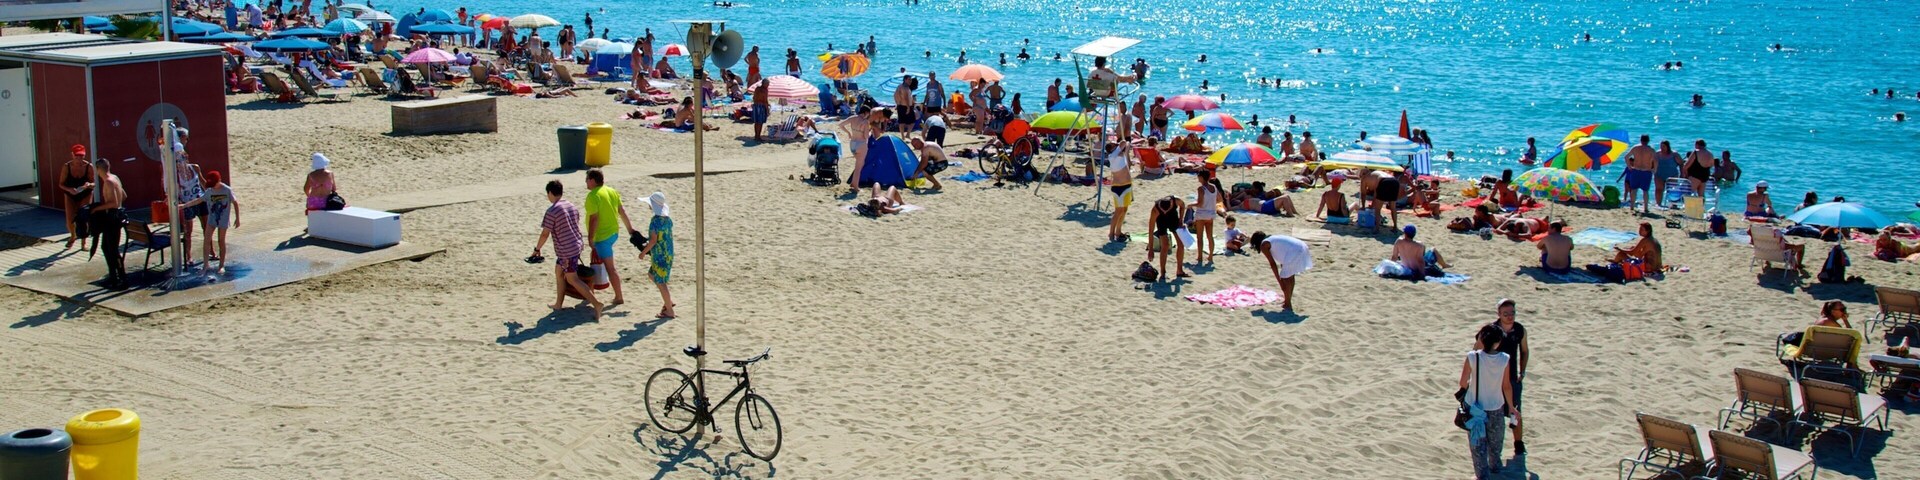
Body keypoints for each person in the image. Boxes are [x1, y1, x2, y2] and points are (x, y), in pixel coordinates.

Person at [533, 180, 602, 318]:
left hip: (566, 250)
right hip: (575, 245)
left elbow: (545, 233)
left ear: (550, 193)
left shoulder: (552, 211)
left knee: (572, 279)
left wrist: (537, 249)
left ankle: (597, 303)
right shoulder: (570, 205)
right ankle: (558, 304)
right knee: (559, 272)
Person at [1461, 312, 1518, 479]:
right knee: (1495, 444)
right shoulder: (1504, 359)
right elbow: (1506, 386)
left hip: (1475, 407)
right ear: (1498, 342)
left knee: (1478, 446)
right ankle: (1495, 468)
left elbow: (1463, 382)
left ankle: (1482, 475)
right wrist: (1512, 407)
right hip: (1496, 406)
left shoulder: (1472, 357)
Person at [583, 168, 637, 307]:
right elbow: (622, 212)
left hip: (602, 237)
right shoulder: (611, 191)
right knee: (595, 259)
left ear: (593, 180)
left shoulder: (593, 196)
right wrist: (630, 230)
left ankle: (619, 297)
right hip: (613, 233)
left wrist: (590, 238)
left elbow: (594, 219)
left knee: (610, 268)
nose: (586, 182)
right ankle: (591, 290)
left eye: (587, 179)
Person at [170, 130, 212, 267]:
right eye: (179, 159)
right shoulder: (176, 174)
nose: (182, 161)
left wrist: (212, 195)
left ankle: (211, 251)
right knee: (188, 231)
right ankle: (188, 256)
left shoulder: (194, 167)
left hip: (200, 200)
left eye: (184, 158)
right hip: (188, 203)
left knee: (207, 227)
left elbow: (203, 182)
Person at [90, 158, 129, 289]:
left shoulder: (108, 182)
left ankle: (121, 278)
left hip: (112, 217)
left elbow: (114, 203)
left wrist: (96, 208)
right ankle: (113, 276)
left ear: (97, 169)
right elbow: (124, 196)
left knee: (112, 249)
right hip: (115, 217)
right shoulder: (115, 178)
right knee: (106, 247)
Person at [1250, 231, 1311, 310]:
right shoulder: (1272, 239)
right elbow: (1282, 259)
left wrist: (1280, 282)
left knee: (1285, 279)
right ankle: (1287, 301)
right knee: (1289, 277)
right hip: (1302, 247)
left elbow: (1272, 264)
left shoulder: (1264, 245)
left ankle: (1288, 304)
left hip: (1295, 251)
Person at [639, 192, 676, 319]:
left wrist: (643, 252)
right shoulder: (667, 219)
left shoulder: (655, 221)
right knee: (651, 275)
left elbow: (653, 240)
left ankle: (669, 310)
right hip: (668, 252)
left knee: (661, 283)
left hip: (660, 254)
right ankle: (668, 301)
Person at [200, 170, 240, 274]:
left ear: (219, 181)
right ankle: (205, 265)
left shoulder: (227, 190)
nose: (212, 187)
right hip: (212, 219)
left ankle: (221, 265)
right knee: (206, 239)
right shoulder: (210, 191)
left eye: (214, 184)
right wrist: (185, 205)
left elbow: (235, 203)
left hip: (223, 219)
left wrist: (237, 218)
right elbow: (200, 199)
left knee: (221, 241)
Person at [60, 145, 95, 250]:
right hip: (71, 193)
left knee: (83, 217)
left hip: (85, 193)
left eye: (81, 156)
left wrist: (88, 185)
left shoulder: (89, 166)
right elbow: (61, 184)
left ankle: (84, 243)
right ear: (72, 155)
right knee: (70, 219)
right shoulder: (67, 166)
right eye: (77, 156)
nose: (79, 159)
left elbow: (94, 183)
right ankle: (73, 235)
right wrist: (70, 190)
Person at [1145, 196, 1188, 282]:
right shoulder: (1155, 209)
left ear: (1171, 204)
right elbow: (1150, 229)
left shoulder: (1176, 200)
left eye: (1166, 210)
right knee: (1165, 245)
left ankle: (1179, 270)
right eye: (1163, 210)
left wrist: (1181, 220)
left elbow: (1183, 205)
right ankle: (1163, 272)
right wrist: (1151, 249)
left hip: (1173, 219)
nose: (1165, 212)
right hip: (1161, 221)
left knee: (1181, 243)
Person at [1105, 142, 1136, 243]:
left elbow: (1125, 145)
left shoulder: (1121, 156)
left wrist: (1126, 149)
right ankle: (1111, 233)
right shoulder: (1113, 156)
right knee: (1118, 211)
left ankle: (1118, 231)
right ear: (1112, 148)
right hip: (1119, 187)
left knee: (1124, 209)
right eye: (1115, 145)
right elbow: (1123, 142)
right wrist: (1122, 144)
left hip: (1127, 185)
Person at [1622, 135, 1656, 213]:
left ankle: (1632, 207)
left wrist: (1630, 167)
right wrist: (1654, 170)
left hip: (1636, 170)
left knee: (1634, 190)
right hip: (1646, 171)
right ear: (1648, 140)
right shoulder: (1651, 150)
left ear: (1640, 140)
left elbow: (1626, 157)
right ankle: (1646, 208)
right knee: (1645, 191)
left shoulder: (1635, 148)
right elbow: (1656, 160)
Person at [1193, 172, 1221, 262]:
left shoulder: (1201, 189)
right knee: (1210, 237)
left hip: (1201, 215)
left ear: (1202, 177)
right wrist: (1211, 203)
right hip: (1211, 214)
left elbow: (1200, 204)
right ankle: (1211, 256)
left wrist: (1190, 205)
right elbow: (1220, 199)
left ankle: (1200, 257)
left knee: (1200, 237)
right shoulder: (1213, 186)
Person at [1652, 140, 1680, 207]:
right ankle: (1658, 204)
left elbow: (1681, 163)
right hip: (1659, 174)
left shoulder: (1674, 154)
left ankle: (1673, 204)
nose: (1662, 148)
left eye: (1663, 146)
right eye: (1661, 146)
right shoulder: (1657, 154)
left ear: (1667, 146)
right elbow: (1652, 163)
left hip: (1672, 175)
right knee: (1659, 189)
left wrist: (1682, 173)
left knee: (1672, 190)